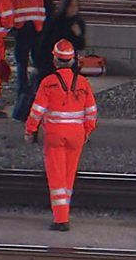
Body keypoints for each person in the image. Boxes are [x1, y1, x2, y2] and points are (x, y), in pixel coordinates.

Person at [24, 39, 97, 231]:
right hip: (77, 135)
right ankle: (65, 211)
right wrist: (87, 131)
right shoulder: (83, 83)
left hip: (55, 134)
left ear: (55, 60)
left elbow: (37, 111)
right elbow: (91, 112)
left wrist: (30, 131)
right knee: (68, 175)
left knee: (57, 177)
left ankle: (61, 219)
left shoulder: (48, 83)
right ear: (72, 61)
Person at [9, 0, 51, 122]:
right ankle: (37, 87)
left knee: (21, 61)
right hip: (38, 28)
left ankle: (22, 90)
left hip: (20, 29)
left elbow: (8, 8)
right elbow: (49, 7)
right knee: (38, 60)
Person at [36, 0, 86, 80]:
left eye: (76, 6)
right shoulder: (54, 21)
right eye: (71, 6)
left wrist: (78, 34)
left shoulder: (78, 23)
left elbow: (81, 45)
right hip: (52, 59)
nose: (74, 9)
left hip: (69, 61)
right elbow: (45, 41)